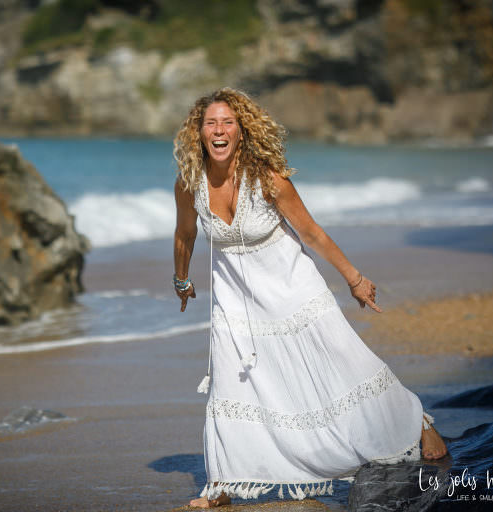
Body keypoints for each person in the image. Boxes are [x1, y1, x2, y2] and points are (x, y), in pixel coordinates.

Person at [172, 88, 448, 508]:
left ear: (241, 132)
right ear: (200, 133)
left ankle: (416, 420)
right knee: (231, 384)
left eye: (227, 122)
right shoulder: (189, 183)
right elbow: (185, 234)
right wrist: (181, 280)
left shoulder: (267, 178)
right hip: (235, 302)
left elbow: (312, 233)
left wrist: (354, 279)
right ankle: (223, 483)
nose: (219, 129)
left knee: (344, 358)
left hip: (293, 288)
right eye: (211, 123)